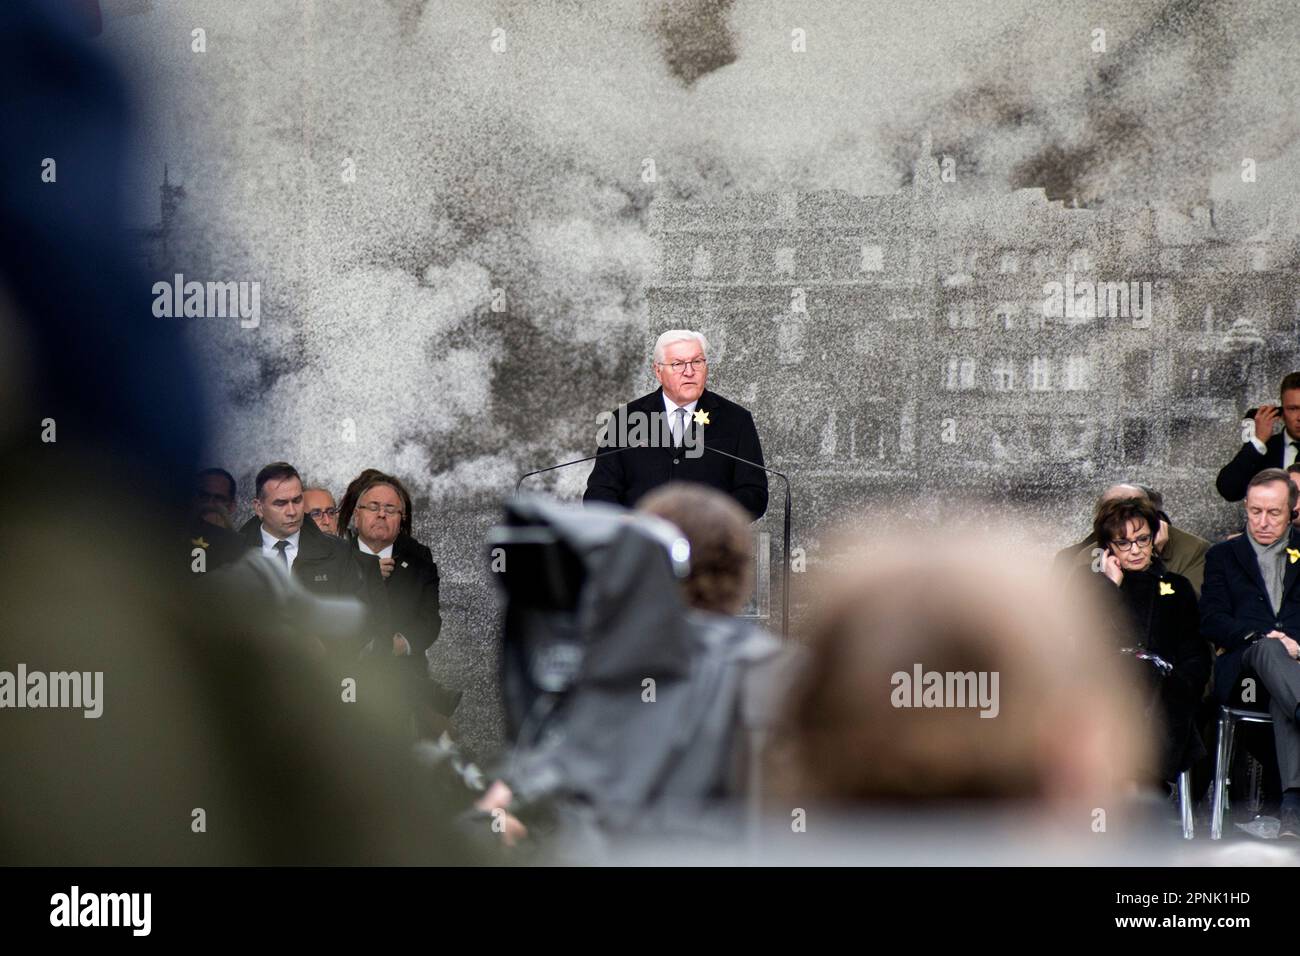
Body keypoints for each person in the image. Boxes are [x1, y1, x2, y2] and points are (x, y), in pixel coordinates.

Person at [1200, 469, 1300, 838]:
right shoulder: (1223, 556)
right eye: (1255, 511)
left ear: (1293, 509)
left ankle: (1291, 807)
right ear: (1245, 507)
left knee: (1285, 694)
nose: (1262, 521)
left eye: (1273, 513)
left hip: (1291, 673)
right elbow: (1210, 619)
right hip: (1245, 673)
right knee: (1271, 651)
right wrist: (1262, 635)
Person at [1082, 496, 1210, 783]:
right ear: (1108, 548)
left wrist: (1184, 682)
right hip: (1102, 686)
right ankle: (1136, 784)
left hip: (1164, 693)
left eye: (1142, 539)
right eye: (1123, 543)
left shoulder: (1176, 587)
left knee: (1154, 683)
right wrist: (1110, 584)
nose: (1136, 550)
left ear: (1154, 539)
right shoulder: (1092, 584)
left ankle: (1135, 781)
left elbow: (1195, 652)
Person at [584, 329, 768, 520]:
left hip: (707, 542)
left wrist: (713, 522)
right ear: (658, 371)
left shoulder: (736, 420)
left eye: (697, 362)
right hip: (643, 541)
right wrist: (626, 525)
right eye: (678, 364)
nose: (689, 372)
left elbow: (753, 494)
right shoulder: (626, 419)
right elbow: (599, 491)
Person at [238, 461, 389, 658]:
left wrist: (324, 653)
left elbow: (361, 619)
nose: (292, 511)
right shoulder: (232, 553)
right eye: (280, 503)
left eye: (297, 500)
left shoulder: (338, 552)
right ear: (258, 507)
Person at [1055, 482, 1209, 595]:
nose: (1126, 522)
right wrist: (1109, 584)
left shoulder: (1194, 550)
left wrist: (1153, 560)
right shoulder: (1089, 555)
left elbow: (1190, 612)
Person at [1216, 372, 1300, 502]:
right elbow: (1229, 490)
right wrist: (1258, 442)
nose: (1299, 417)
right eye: (1293, 409)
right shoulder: (1266, 450)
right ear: (1282, 412)